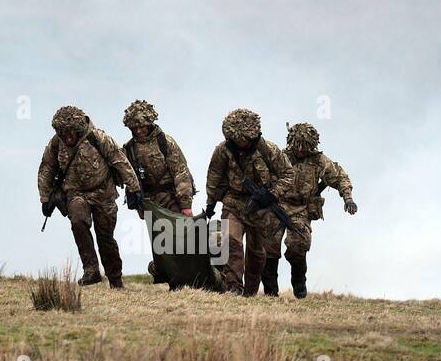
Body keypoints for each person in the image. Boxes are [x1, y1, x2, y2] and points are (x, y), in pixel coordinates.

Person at [37, 105, 141, 288]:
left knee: (105, 237)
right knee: (78, 222)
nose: (68, 138)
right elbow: (46, 168)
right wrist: (45, 198)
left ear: (78, 129)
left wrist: (134, 188)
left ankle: (115, 279)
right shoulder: (56, 143)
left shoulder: (97, 137)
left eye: (71, 133)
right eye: (63, 134)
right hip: (75, 193)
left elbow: (119, 161)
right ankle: (91, 270)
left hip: (104, 193)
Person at [203, 108, 295, 296]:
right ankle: (234, 287)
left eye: (242, 139)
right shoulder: (223, 150)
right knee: (232, 243)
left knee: (257, 253)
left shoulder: (268, 149)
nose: (239, 143)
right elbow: (214, 176)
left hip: (261, 210)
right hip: (233, 202)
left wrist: (272, 194)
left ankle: (250, 292)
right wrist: (211, 202)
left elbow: (288, 174)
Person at [266, 122, 357, 298]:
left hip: (301, 209)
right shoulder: (280, 158)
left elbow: (340, 177)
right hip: (277, 205)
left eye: (304, 145)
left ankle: (299, 284)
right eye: (297, 145)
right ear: (291, 142)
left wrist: (348, 198)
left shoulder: (318, 161)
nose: (300, 149)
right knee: (269, 246)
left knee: (298, 246)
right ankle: (270, 291)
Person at [120, 100, 196, 284]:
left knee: (183, 238)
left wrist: (186, 205)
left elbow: (181, 173)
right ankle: (171, 278)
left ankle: (192, 277)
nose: (138, 130)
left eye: (141, 126)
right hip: (149, 201)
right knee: (161, 243)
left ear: (149, 123)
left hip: (172, 197)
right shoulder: (129, 148)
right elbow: (126, 176)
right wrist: (137, 202)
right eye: (134, 127)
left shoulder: (165, 142)